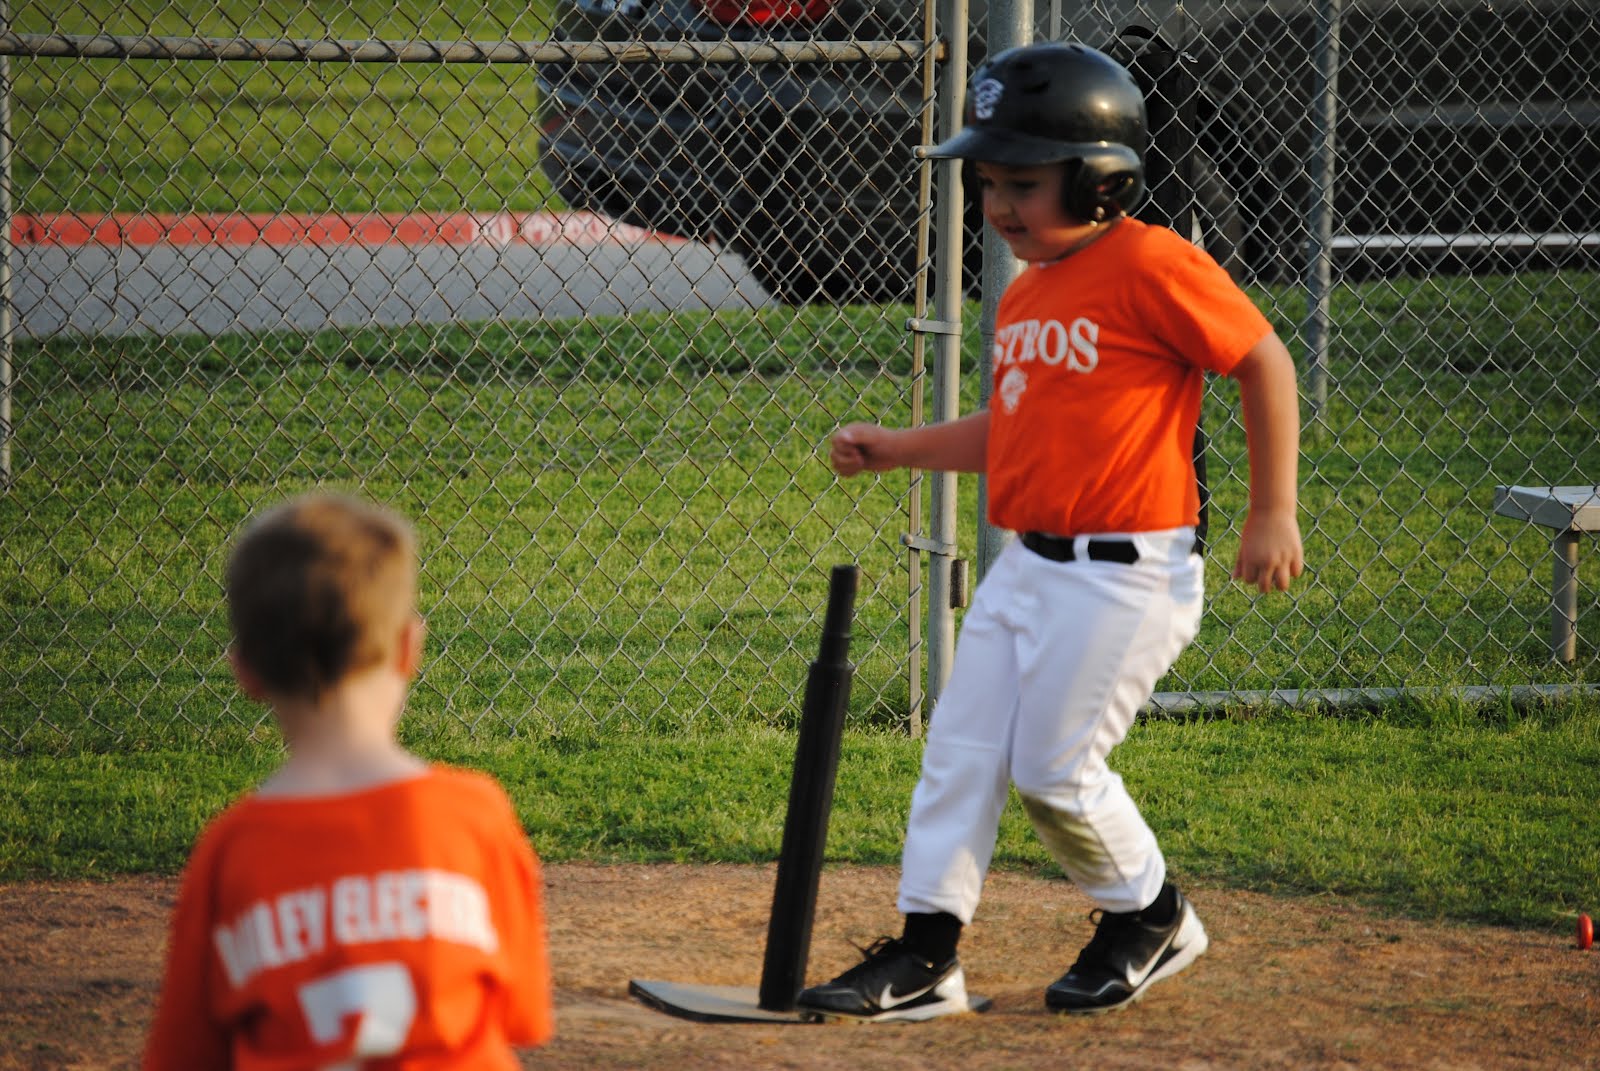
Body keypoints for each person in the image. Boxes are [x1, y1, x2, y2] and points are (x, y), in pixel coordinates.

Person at [797, 41, 1303, 1022]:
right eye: (989, 183)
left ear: (1101, 181)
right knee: (960, 752)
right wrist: (900, 447)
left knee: (1052, 770)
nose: (997, 205)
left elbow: (1262, 361)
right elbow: (1017, 431)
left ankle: (1148, 917)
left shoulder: (1153, 262)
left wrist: (1269, 510)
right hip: (1026, 566)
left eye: (1021, 183)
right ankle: (925, 956)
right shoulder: (1027, 291)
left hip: (1126, 574)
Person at [142, 493, 555, 1068]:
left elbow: (186, 1056)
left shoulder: (231, 849)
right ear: (410, 649)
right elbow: (524, 1016)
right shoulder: (473, 815)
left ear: (247, 674)